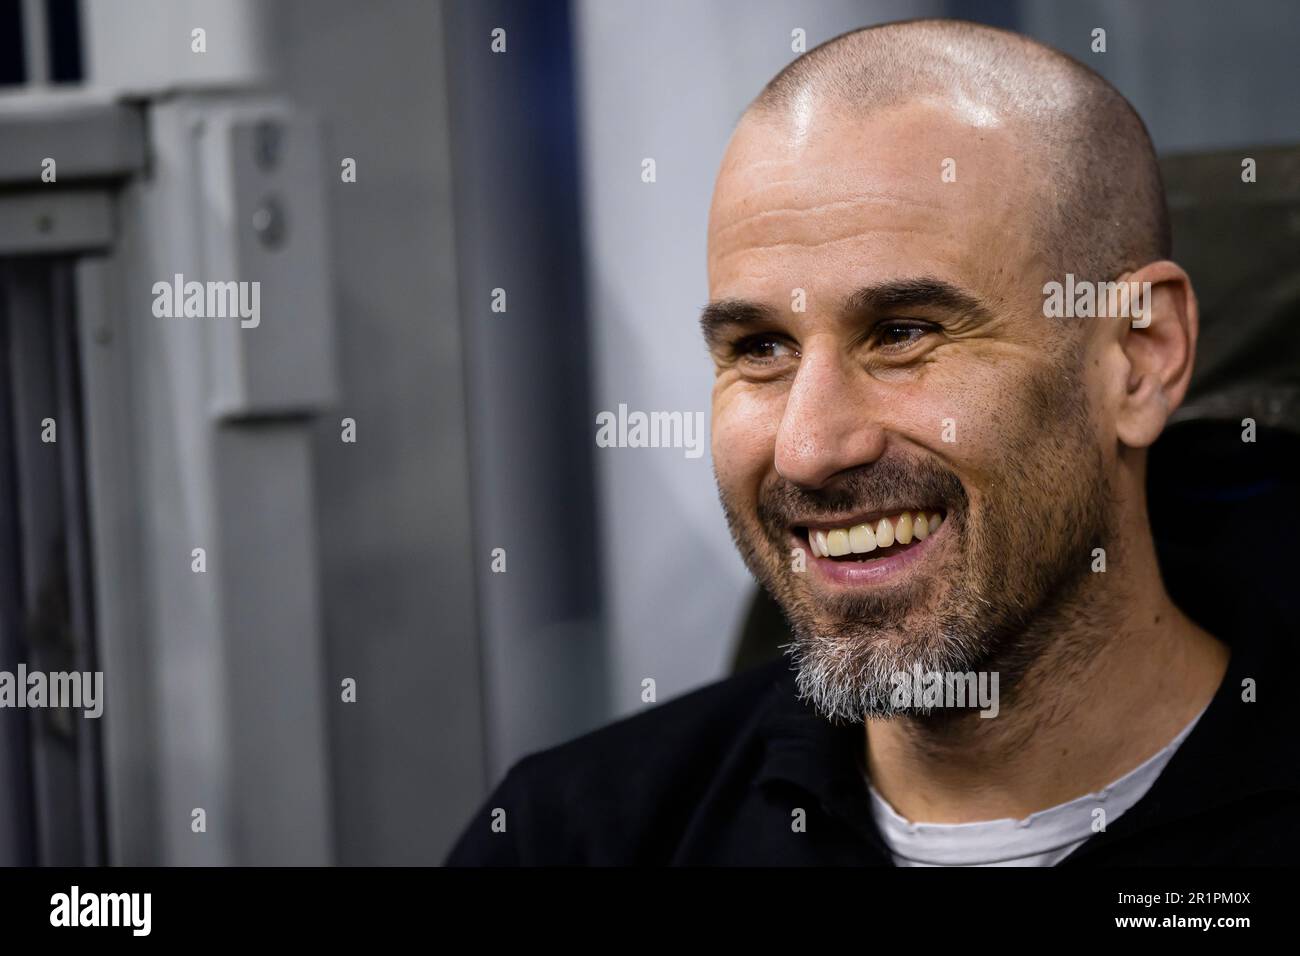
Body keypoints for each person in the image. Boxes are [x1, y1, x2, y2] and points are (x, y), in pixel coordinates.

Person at [446, 18, 1299, 866]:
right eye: (760, 349)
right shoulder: (573, 839)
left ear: (1139, 360)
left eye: (903, 332)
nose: (808, 448)